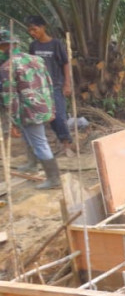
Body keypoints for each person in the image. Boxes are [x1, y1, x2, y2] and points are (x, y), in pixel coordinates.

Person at [0, 29, 60, 190]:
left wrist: (13, 122)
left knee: (40, 142)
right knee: (30, 137)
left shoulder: (7, 67)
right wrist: (52, 108)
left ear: (3, 46)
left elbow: (10, 97)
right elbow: (49, 84)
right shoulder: (36, 59)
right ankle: (32, 164)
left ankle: (54, 179)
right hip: (43, 106)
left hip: (28, 111)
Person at [24, 16, 75, 158]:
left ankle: (66, 144)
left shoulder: (56, 44)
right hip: (40, 87)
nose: (32, 33)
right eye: (30, 30)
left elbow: (65, 63)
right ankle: (61, 141)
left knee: (59, 115)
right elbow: (31, 65)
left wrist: (67, 83)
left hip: (56, 86)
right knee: (49, 117)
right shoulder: (33, 46)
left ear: (43, 27)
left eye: (34, 29)